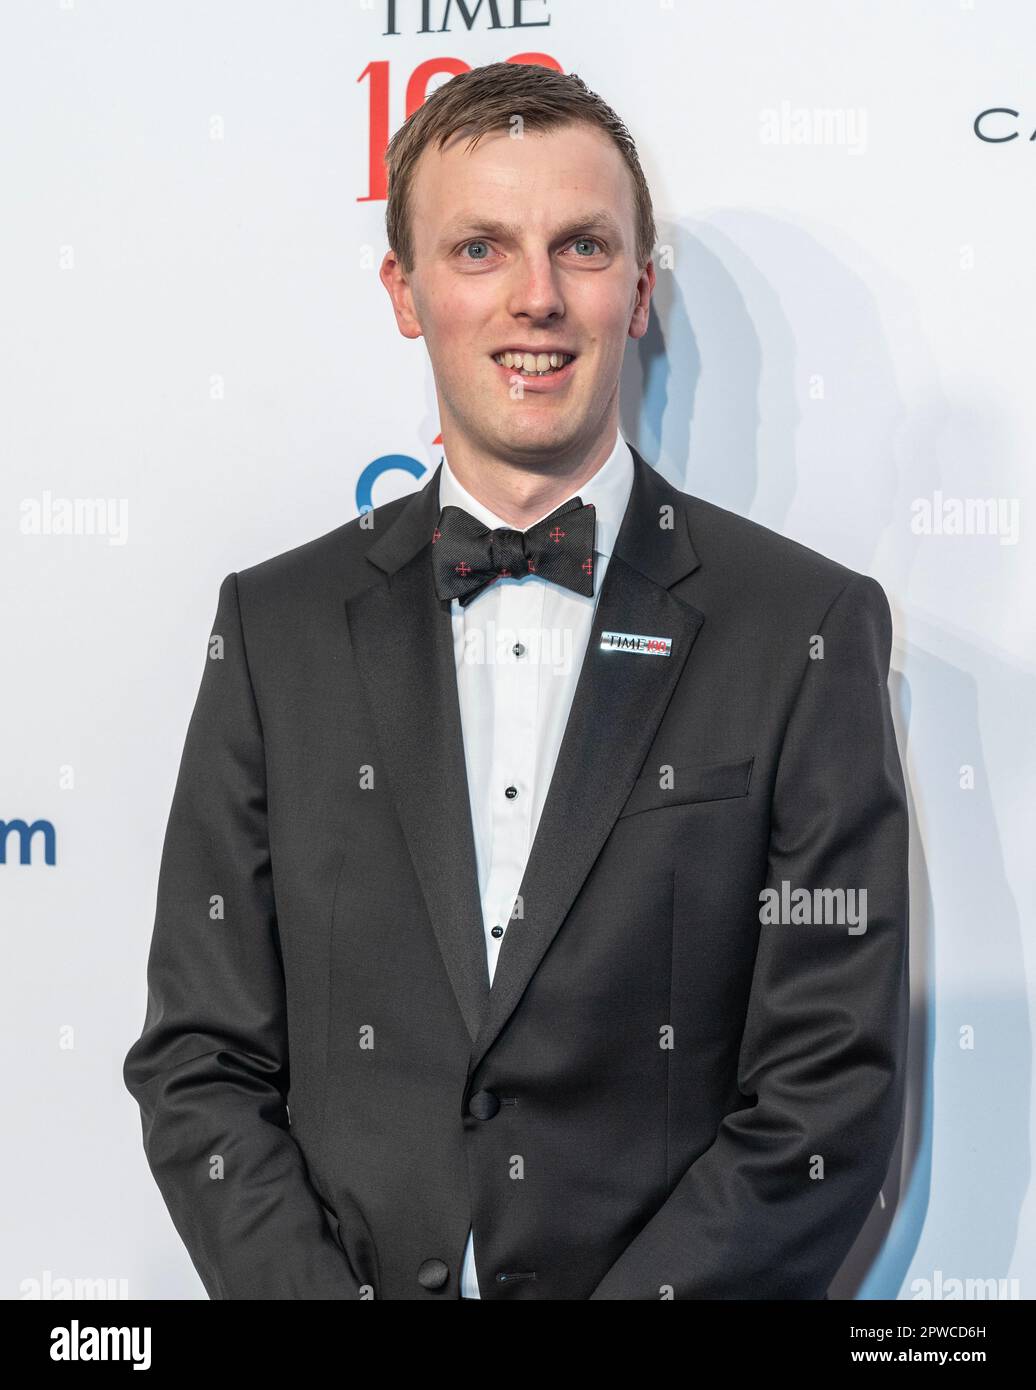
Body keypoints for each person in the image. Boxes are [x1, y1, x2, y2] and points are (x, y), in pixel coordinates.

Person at [123, 61, 910, 1300]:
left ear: (638, 290)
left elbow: (832, 1084)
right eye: (480, 248)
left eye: (582, 247)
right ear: (406, 290)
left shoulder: (802, 629)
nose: (535, 298)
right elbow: (200, 1059)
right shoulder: (271, 629)